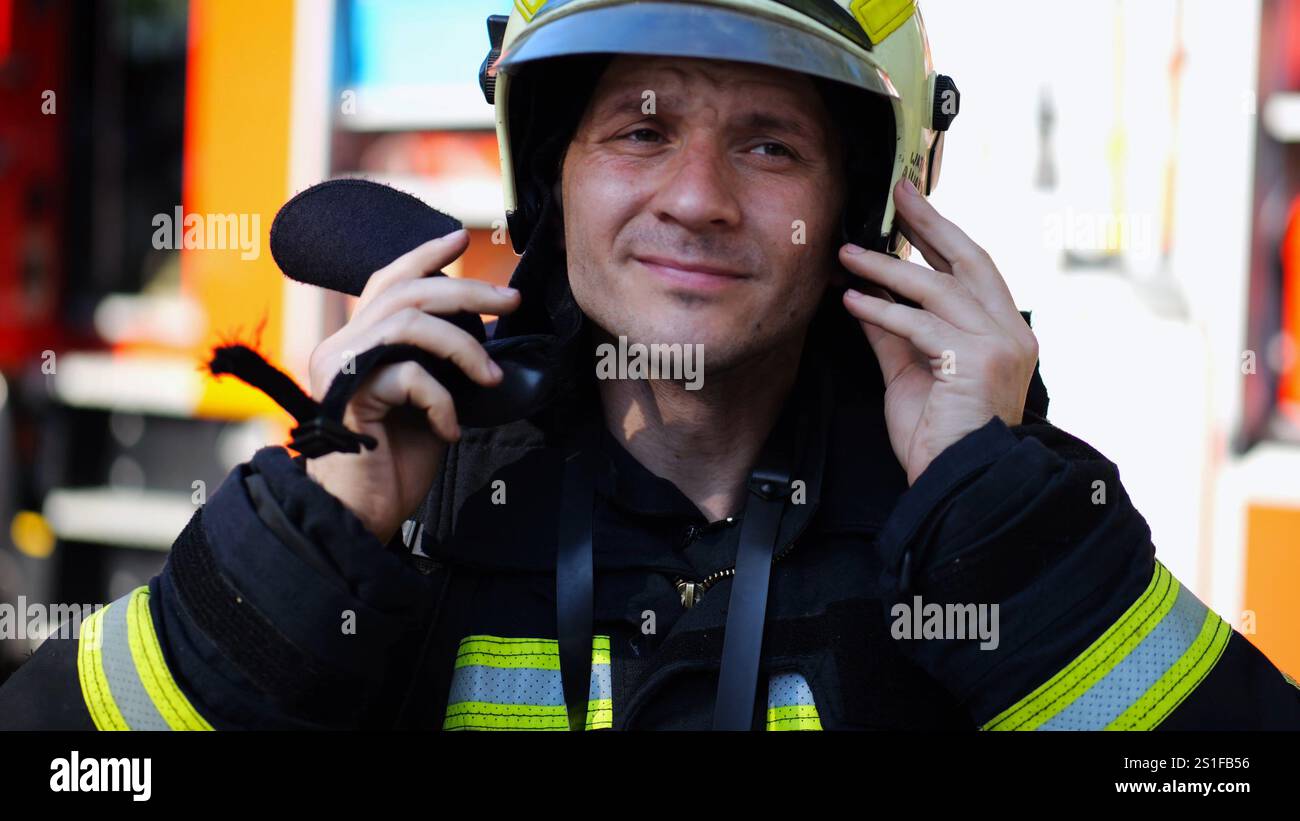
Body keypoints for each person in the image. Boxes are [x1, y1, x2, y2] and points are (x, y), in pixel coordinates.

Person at [3, 0, 1298, 731]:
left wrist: (1001, 517)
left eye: (769, 145)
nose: (697, 197)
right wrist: (311, 535)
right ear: (546, 177)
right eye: (639, 126)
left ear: (870, 206)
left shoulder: (989, 526)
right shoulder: (403, 510)